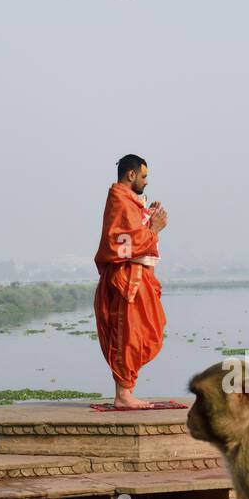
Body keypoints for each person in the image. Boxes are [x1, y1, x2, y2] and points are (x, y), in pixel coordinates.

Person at [93, 154, 169, 409]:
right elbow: (122, 243)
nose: (147, 181)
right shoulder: (119, 200)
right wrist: (155, 229)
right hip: (126, 280)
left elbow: (133, 230)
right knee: (128, 335)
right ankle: (123, 394)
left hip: (138, 278)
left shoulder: (128, 202)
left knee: (147, 330)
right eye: (144, 176)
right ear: (132, 174)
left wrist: (148, 216)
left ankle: (126, 391)